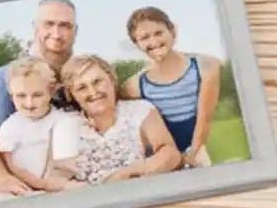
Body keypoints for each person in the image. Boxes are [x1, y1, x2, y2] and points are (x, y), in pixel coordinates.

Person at [0, 0, 80, 198]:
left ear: (75, 31)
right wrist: (2, 179)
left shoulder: (84, 75)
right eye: (49, 24)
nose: (56, 33)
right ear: (35, 27)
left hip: (75, 184)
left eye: (65, 25)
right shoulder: (6, 76)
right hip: (22, 189)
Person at [49, 54, 181, 185]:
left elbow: (170, 154)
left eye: (97, 82)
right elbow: (59, 175)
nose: (93, 92)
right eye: (82, 88)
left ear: (112, 80)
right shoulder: (66, 124)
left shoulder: (139, 110)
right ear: (72, 94)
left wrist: (127, 173)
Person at [120, 6, 221, 168]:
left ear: (172, 31)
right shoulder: (134, 86)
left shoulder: (205, 66)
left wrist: (192, 155)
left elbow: (204, 119)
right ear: (136, 43)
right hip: (160, 159)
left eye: (159, 33)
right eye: (145, 38)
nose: (153, 42)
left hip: (196, 152)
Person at [0, 57, 85, 203]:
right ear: (12, 96)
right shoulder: (11, 126)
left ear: (51, 91)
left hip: (52, 186)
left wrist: (58, 184)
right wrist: (42, 185)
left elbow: (65, 163)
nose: (29, 103)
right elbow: (11, 165)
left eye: (37, 95)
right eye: (21, 96)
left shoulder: (63, 120)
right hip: (18, 188)